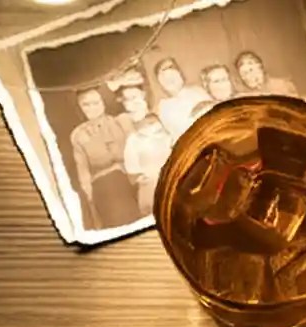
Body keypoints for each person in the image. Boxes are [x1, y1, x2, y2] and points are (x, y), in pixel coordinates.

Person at [67, 86, 137, 229]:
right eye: (86, 104)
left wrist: (124, 169)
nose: (92, 108)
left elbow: (137, 152)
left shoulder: (121, 121)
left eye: (96, 102)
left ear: (104, 102)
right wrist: (90, 200)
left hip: (131, 177)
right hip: (104, 186)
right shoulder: (79, 135)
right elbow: (83, 171)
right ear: (79, 107)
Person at [115, 73, 174, 216]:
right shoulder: (121, 123)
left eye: (135, 96)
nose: (133, 102)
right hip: (146, 182)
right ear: (122, 102)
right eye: (127, 99)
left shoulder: (160, 113)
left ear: (143, 95)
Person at [233, 50, 306, 111]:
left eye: (250, 70)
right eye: (243, 74)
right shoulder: (245, 98)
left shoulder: (282, 85)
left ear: (260, 67)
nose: (248, 77)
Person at [152, 57, 211, 139]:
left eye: (172, 72)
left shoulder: (197, 92)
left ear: (180, 74)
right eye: (164, 77)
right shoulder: (162, 108)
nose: (169, 79)